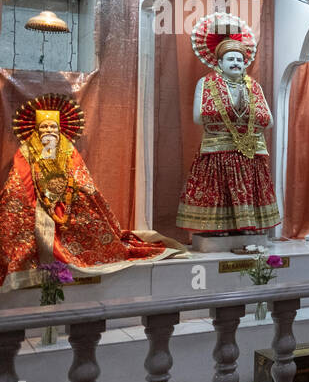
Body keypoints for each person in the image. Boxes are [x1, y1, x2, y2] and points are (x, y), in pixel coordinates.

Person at [0, 94, 177, 287]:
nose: (48, 130)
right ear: (36, 129)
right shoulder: (26, 150)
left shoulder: (68, 150)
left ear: (59, 129)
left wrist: (78, 193)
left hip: (68, 203)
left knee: (89, 208)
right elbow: (19, 179)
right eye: (44, 127)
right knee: (14, 211)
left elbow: (80, 176)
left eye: (52, 127)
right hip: (36, 203)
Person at [176, 13, 280, 235]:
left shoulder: (254, 86)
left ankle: (247, 227)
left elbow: (268, 120)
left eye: (239, 60)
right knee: (218, 189)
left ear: (245, 63)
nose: (236, 63)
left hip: (250, 152)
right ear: (220, 63)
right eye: (230, 59)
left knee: (249, 190)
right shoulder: (206, 83)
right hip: (218, 150)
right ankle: (218, 228)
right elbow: (199, 116)